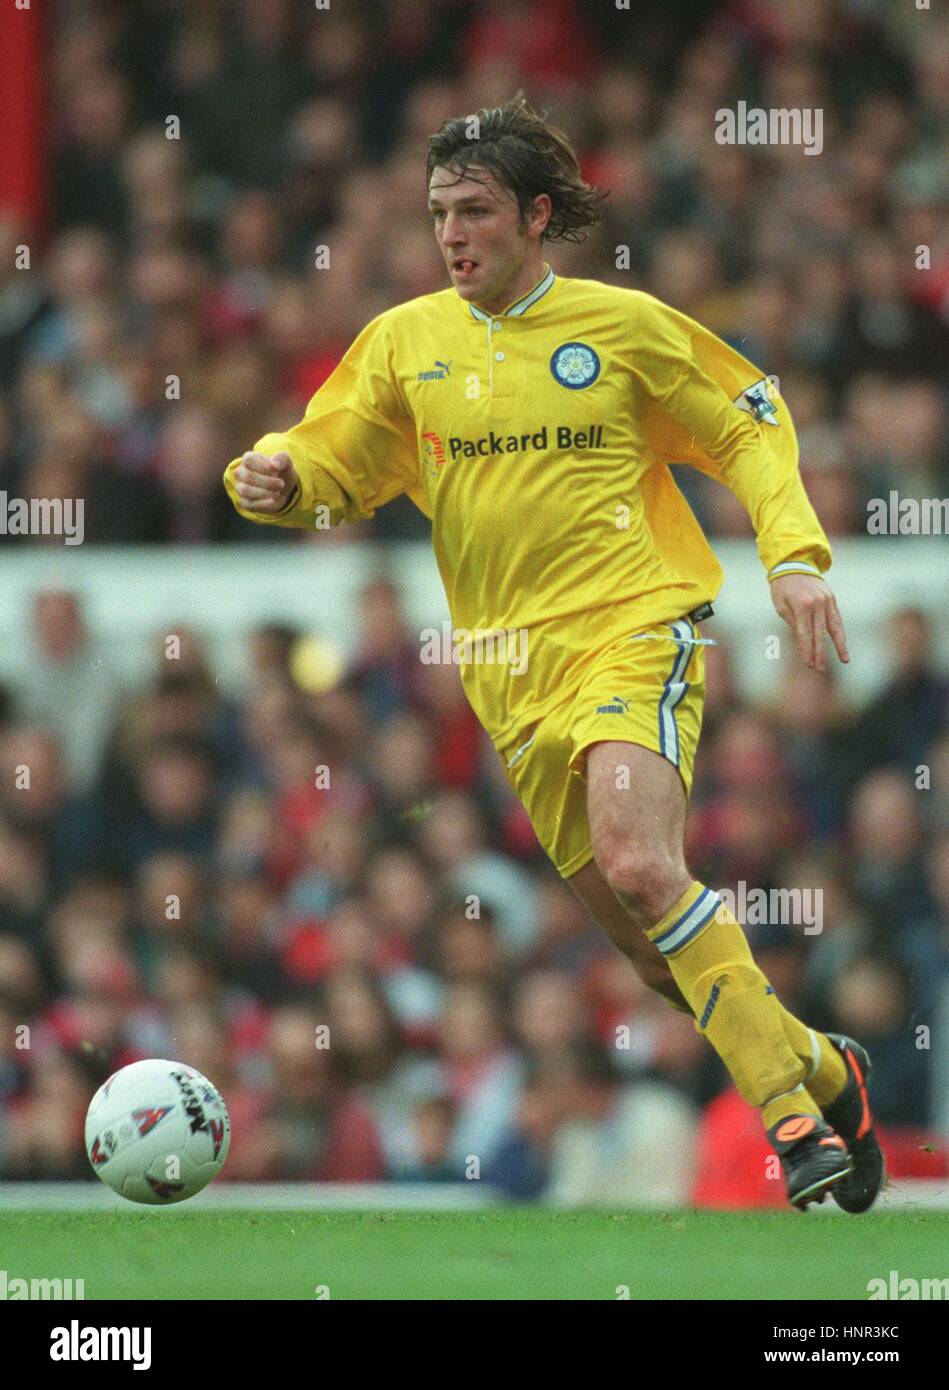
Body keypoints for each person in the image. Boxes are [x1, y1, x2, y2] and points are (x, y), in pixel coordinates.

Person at [223, 95, 882, 1212]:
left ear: (535, 217)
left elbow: (746, 418)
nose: (451, 234)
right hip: (509, 681)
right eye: (437, 212)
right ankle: (825, 1069)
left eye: (473, 209)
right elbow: (330, 457)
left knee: (638, 858)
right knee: (649, 956)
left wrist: (793, 553)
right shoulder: (403, 344)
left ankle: (788, 1124)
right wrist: (274, 474)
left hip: (636, 629)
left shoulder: (619, 329)